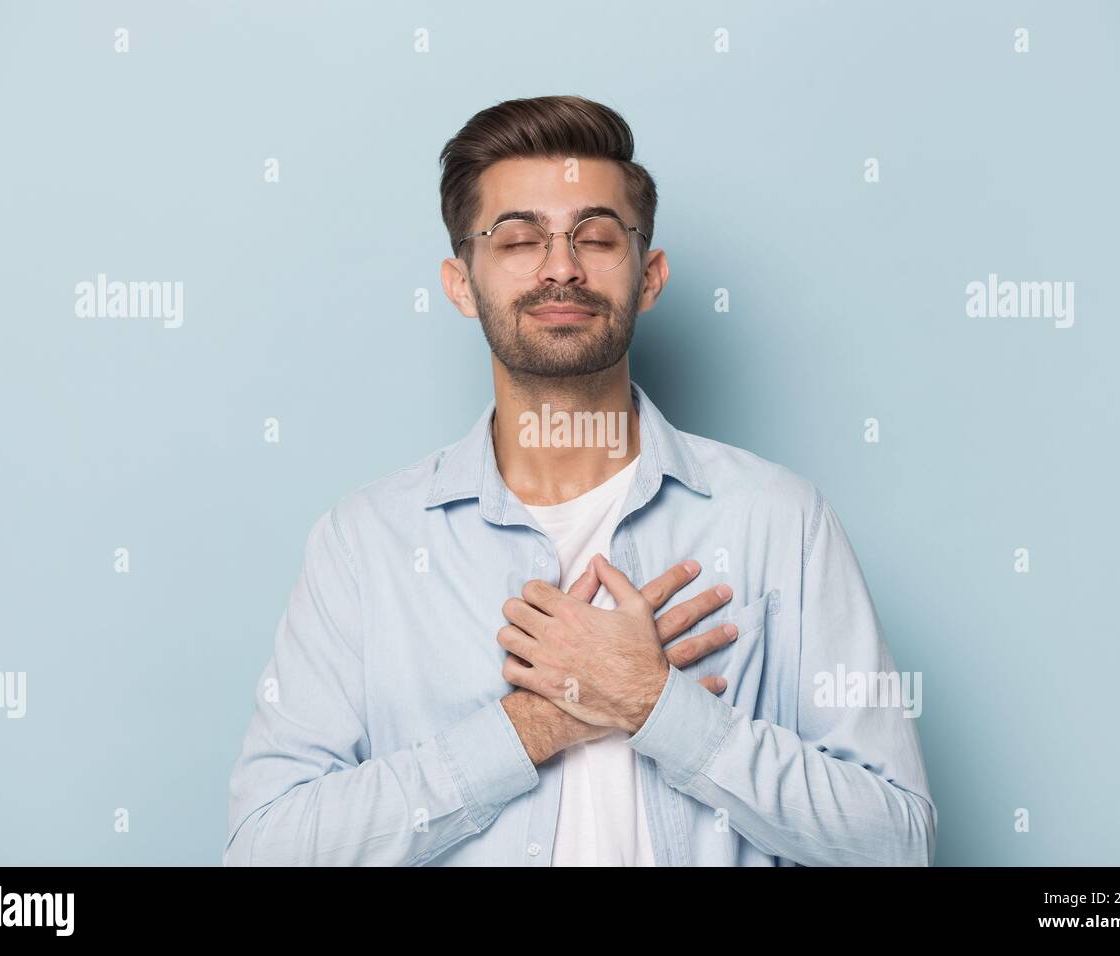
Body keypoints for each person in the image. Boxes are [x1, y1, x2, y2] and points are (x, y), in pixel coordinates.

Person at [224, 94, 936, 866]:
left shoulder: (779, 522)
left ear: (650, 275)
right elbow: (268, 848)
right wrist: (537, 724)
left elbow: (895, 842)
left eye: (595, 238)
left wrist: (654, 704)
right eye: (518, 239)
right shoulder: (366, 544)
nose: (561, 267)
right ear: (462, 283)